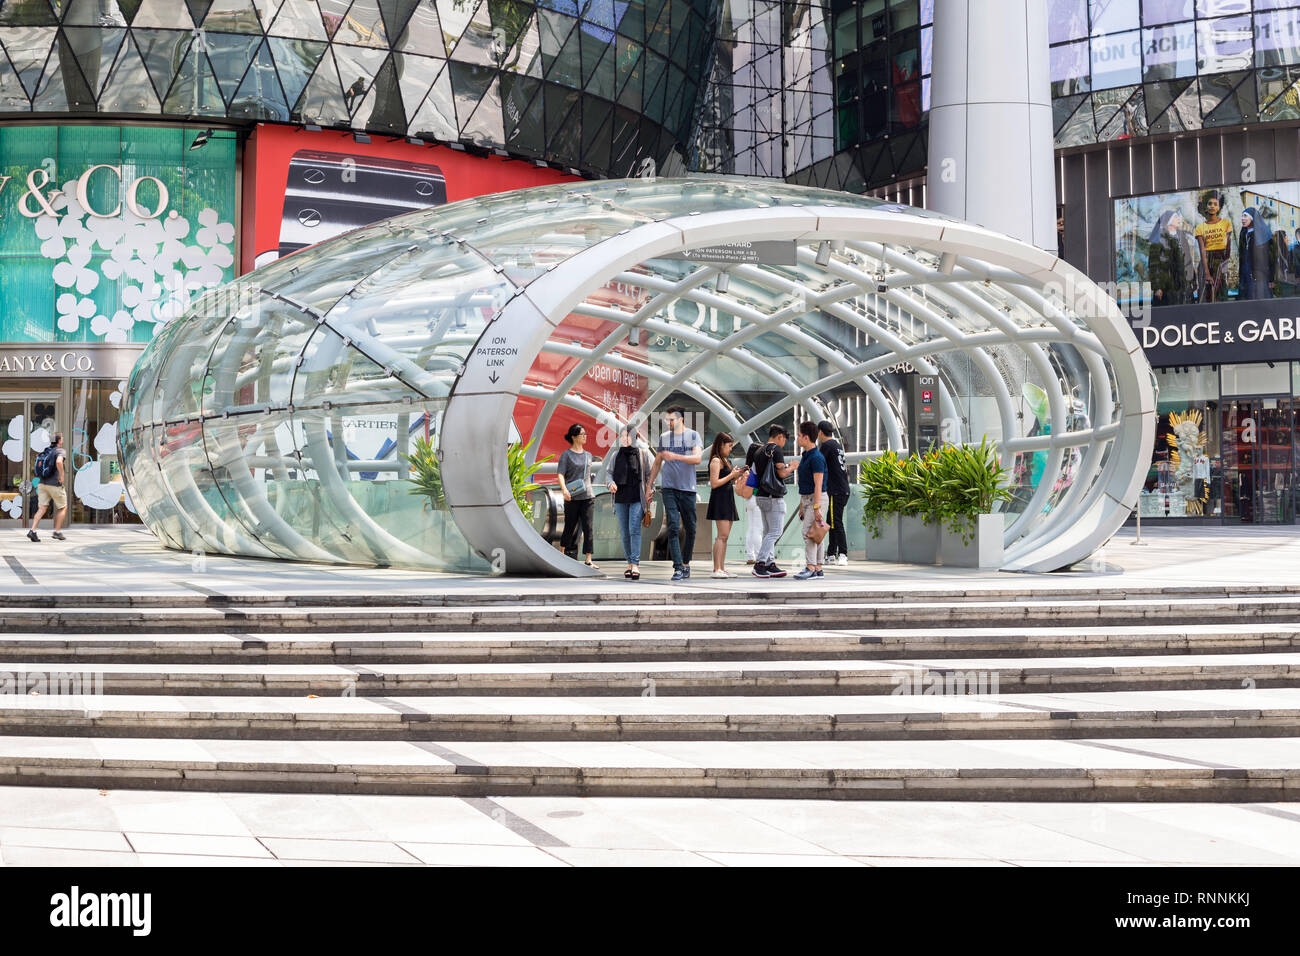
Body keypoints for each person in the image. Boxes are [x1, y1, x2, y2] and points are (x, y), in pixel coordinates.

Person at [647, 406, 703, 582]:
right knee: (672, 525)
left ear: (681, 419)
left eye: (671, 420)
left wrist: (676, 457)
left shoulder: (693, 435)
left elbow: (697, 459)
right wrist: (650, 486)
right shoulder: (664, 438)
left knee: (691, 528)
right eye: (666, 420)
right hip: (669, 488)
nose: (668, 423)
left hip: (688, 489)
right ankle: (677, 567)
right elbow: (657, 463)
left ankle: (686, 563)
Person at [604, 426, 653, 580]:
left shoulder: (643, 454)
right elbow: (608, 473)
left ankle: (635, 563)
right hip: (620, 498)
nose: (625, 439)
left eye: (628, 436)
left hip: (637, 497)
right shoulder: (615, 455)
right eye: (623, 436)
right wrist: (610, 483)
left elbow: (650, 475)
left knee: (634, 529)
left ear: (635, 437)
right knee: (625, 532)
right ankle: (629, 564)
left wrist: (650, 490)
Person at [751, 424, 797, 578]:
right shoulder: (775, 449)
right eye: (784, 440)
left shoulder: (759, 450)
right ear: (780, 437)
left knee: (767, 532)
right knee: (776, 531)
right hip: (773, 496)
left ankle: (770, 564)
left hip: (761, 495)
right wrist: (792, 467)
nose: (784, 444)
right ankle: (760, 564)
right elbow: (782, 473)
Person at [705, 432, 746, 577]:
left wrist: (738, 475)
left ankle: (721, 567)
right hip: (720, 499)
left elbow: (728, 480)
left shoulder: (725, 460)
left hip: (727, 498)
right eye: (729, 446)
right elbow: (714, 483)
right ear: (721, 444)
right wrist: (731, 475)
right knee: (721, 535)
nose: (730, 449)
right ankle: (717, 568)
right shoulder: (716, 461)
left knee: (725, 536)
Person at [557, 423, 597, 568]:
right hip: (572, 496)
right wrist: (564, 490)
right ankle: (561, 554)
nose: (585, 436)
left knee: (588, 528)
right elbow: (560, 474)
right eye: (582, 434)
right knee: (569, 526)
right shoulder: (566, 455)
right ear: (574, 437)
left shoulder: (588, 455)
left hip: (588, 496)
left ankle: (588, 559)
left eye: (586, 434)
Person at [793, 421, 827, 580]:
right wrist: (802, 505)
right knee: (816, 533)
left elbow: (818, 484)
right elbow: (805, 484)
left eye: (799, 436)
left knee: (808, 533)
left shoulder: (816, 458)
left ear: (806, 438)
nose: (797, 438)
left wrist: (816, 507)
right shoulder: (807, 455)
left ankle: (811, 567)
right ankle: (818, 568)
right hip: (808, 499)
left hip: (816, 498)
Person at [1146, 210, 1199, 306]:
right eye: (1175, 217)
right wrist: (1157, 287)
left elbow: (1188, 259)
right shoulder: (1159, 238)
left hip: (1184, 282)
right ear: (1168, 220)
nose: (1178, 218)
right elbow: (1154, 265)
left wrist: (1193, 279)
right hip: (1168, 284)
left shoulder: (1181, 235)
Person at [817, 420, 850, 565]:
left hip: (836, 490)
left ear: (820, 432)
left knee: (836, 521)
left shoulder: (826, 446)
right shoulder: (837, 445)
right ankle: (831, 554)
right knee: (831, 521)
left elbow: (817, 463)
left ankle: (843, 553)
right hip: (843, 489)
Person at [27, 432, 67, 543]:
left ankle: (33, 531)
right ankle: (57, 532)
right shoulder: (60, 451)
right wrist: (62, 476)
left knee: (42, 508)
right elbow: (59, 462)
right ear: (59, 441)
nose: (62, 439)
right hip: (54, 485)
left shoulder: (46, 451)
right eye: (62, 438)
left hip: (42, 484)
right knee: (63, 507)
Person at [1194, 190, 1231, 303]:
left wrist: (1224, 265)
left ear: (1219, 207)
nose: (1212, 207)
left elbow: (1228, 247)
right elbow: (1202, 251)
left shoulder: (1226, 223)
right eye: (1210, 204)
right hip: (1206, 262)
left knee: (1220, 294)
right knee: (1206, 295)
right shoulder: (1200, 227)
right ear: (1206, 206)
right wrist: (1206, 272)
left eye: (1215, 204)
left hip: (1220, 261)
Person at [1238, 206, 1275, 300]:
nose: (1242, 218)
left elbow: (1270, 258)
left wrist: (1271, 278)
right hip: (1246, 274)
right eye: (1242, 216)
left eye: (1245, 216)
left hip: (1259, 276)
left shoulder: (1262, 234)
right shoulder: (1243, 234)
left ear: (1252, 218)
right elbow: (1242, 256)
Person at [742, 440, 764, 565]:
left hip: (749, 500)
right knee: (758, 529)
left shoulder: (747, 467)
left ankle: (750, 555)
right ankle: (761, 555)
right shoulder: (758, 467)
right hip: (757, 498)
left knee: (751, 529)